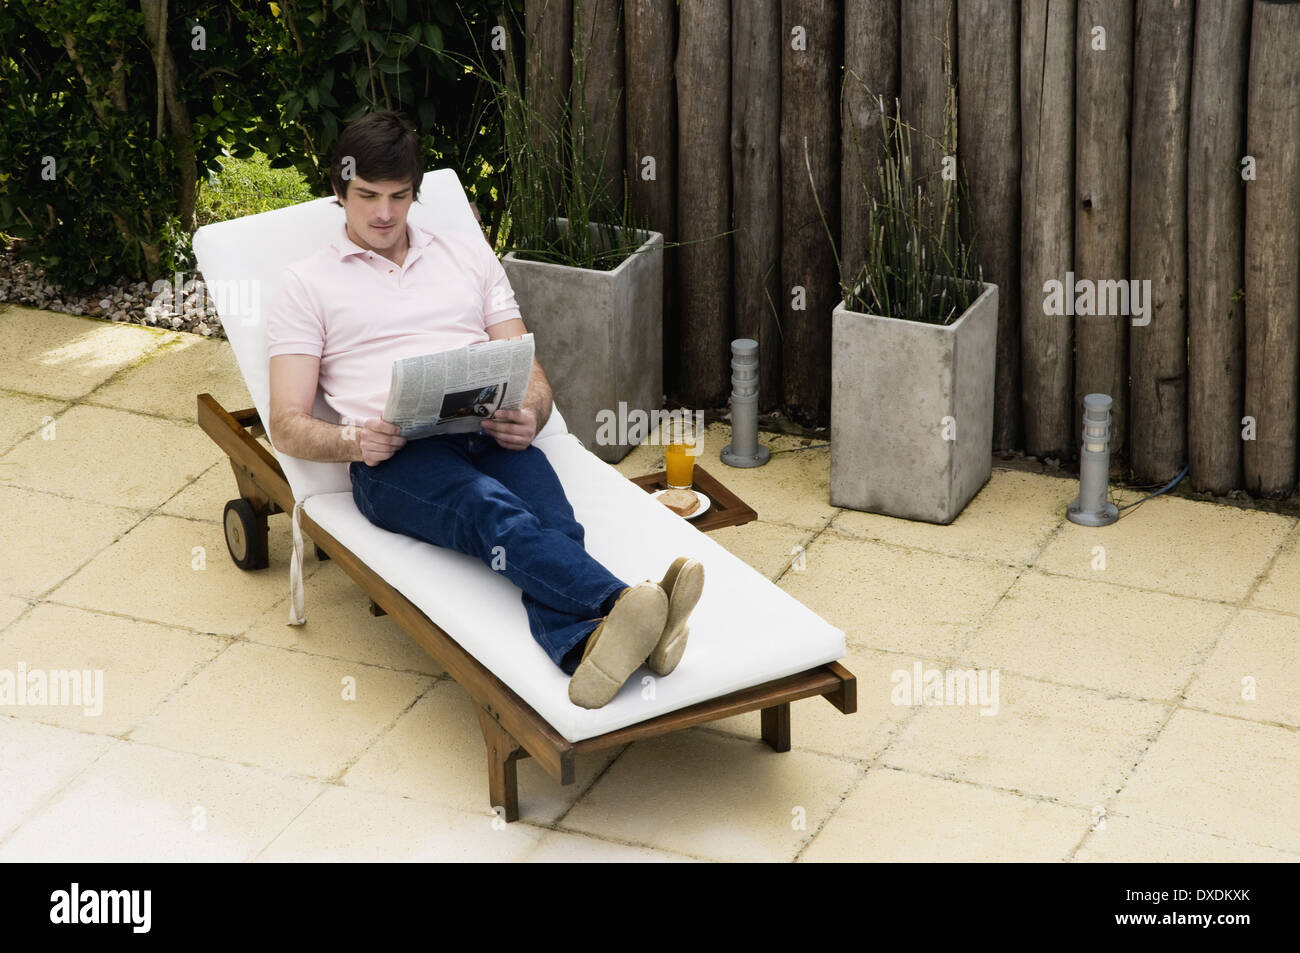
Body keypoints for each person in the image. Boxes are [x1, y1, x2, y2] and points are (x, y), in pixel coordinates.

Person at [264, 110, 703, 709]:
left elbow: (528, 364)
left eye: (398, 196)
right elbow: (285, 423)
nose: (384, 213)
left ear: (415, 193)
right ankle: (624, 603)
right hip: (394, 461)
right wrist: (351, 442)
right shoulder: (305, 285)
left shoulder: (467, 256)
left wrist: (533, 411)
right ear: (339, 192)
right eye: (367, 196)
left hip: (487, 430)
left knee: (555, 526)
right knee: (490, 511)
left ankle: (592, 648)